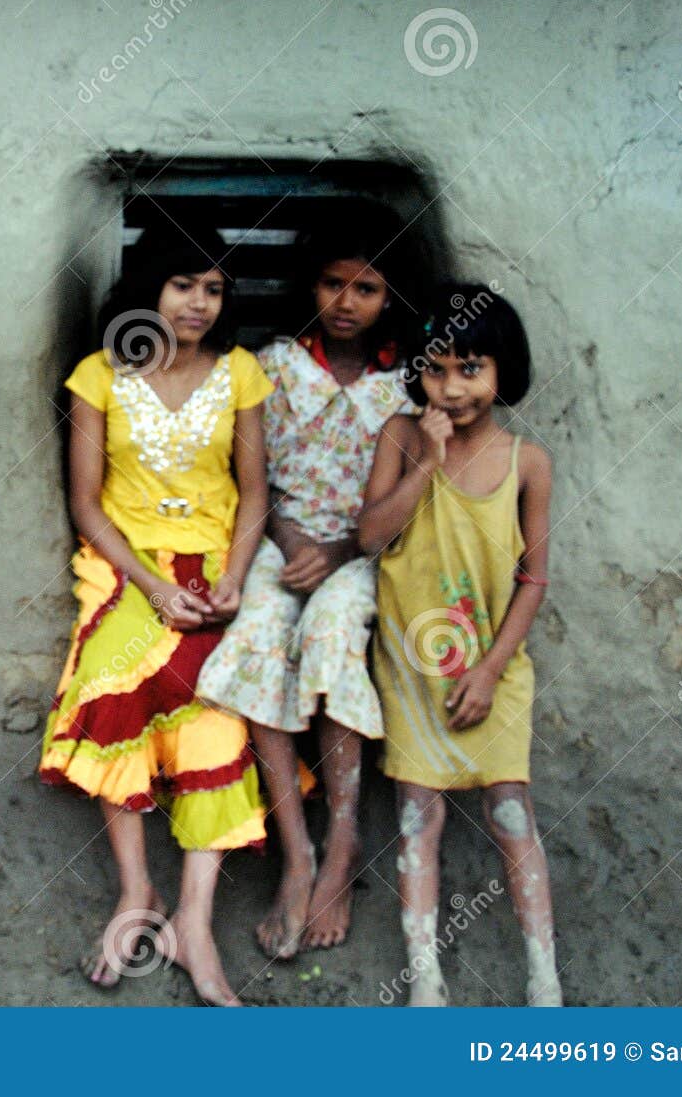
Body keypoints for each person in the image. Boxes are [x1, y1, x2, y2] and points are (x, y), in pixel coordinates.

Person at [38, 218, 272, 1007]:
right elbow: (86, 505)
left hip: (212, 563)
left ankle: (195, 919)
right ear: (147, 290)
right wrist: (145, 582)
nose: (199, 304)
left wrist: (234, 577)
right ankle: (137, 890)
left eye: (214, 289)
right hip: (124, 566)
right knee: (116, 677)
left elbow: (255, 494)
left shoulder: (240, 373)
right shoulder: (98, 376)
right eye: (183, 285)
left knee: (219, 704)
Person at [197, 224, 419, 958]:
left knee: (329, 635)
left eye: (367, 288)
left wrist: (337, 549)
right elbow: (249, 478)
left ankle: (343, 839)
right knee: (258, 632)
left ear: (391, 298)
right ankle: (296, 850)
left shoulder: (407, 385)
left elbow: (390, 512)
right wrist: (293, 543)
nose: (346, 302)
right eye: (332, 284)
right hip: (279, 540)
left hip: (360, 555)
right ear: (310, 287)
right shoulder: (274, 366)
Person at [358, 285, 561, 1006]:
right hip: (414, 671)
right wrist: (424, 462)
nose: (452, 386)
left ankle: (544, 980)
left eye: (471, 368)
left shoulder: (526, 462)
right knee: (419, 812)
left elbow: (533, 578)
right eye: (438, 368)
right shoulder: (400, 436)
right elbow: (371, 536)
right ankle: (426, 982)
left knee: (511, 810)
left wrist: (490, 667)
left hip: (491, 667)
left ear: (504, 371)